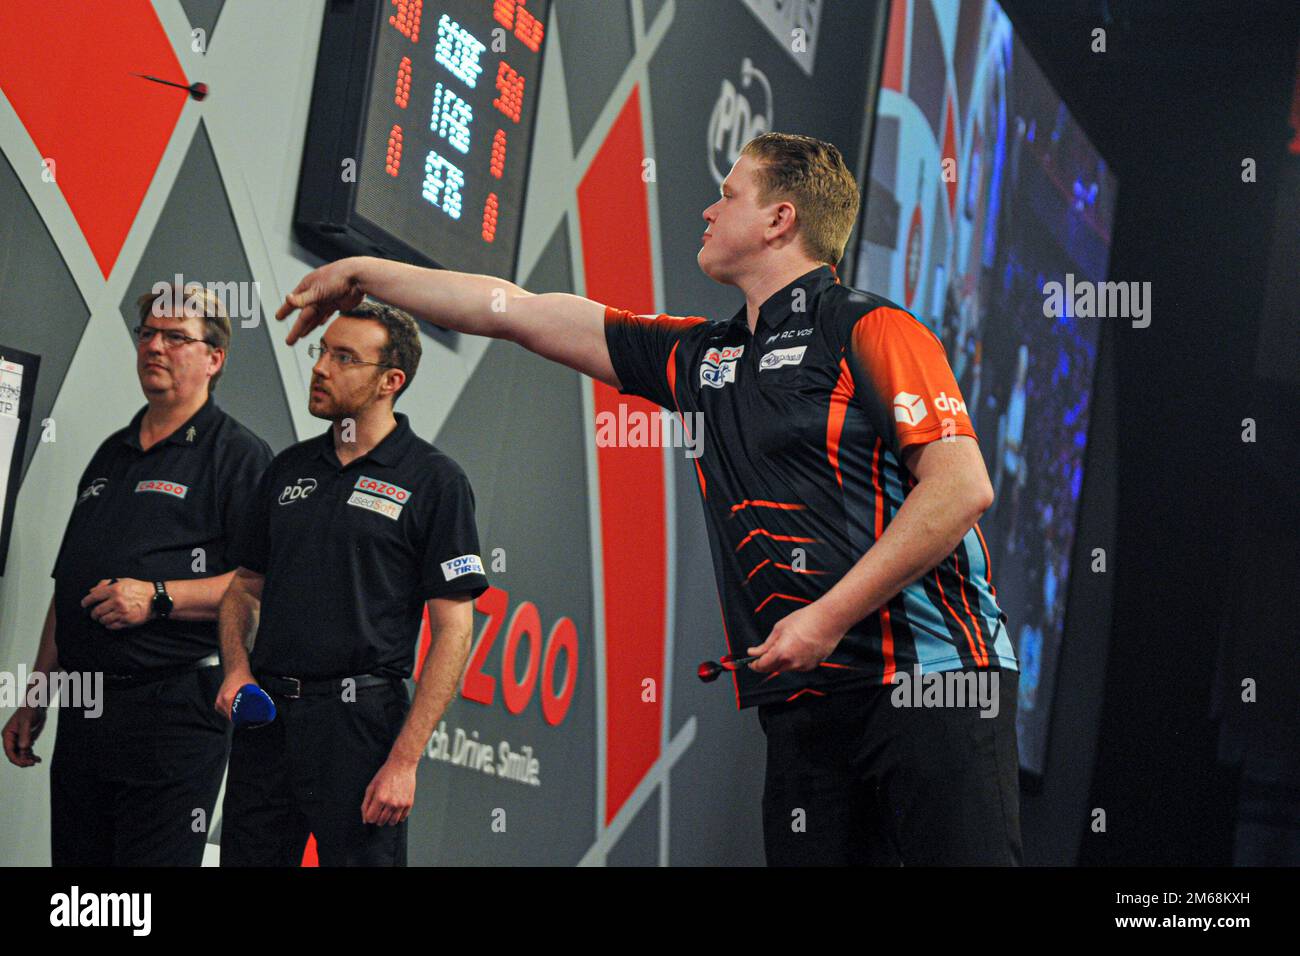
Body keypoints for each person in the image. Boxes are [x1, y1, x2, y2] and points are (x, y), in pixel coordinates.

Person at [273, 132, 1021, 866]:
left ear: (779, 220)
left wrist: (825, 616)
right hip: (804, 699)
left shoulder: (873, 327)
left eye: (727, 195)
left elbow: (960, 487)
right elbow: (517, 311)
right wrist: (365, 271)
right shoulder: (701, 356)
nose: (707, 210)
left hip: (936, 682)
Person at [1, 283, 272, 866]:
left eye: (175, 337)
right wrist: (38, 694)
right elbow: (68, 584)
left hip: (174, 709)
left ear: (214, 358)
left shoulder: (240, 456)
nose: (155, 346)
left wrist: (158, 597)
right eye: (147, 333)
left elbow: (256, 583)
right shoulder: (112, 453)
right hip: (87, 710)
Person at [215, 301, 488, 867]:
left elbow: (454, 630)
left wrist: (405, 761)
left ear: (391, 381)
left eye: (345, 358)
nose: (321, 367)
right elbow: (244, 586)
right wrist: (237, 670)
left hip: (361, 727)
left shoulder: (435, 481)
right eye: (322, 352)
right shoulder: (288, 468)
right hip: (267, 717)